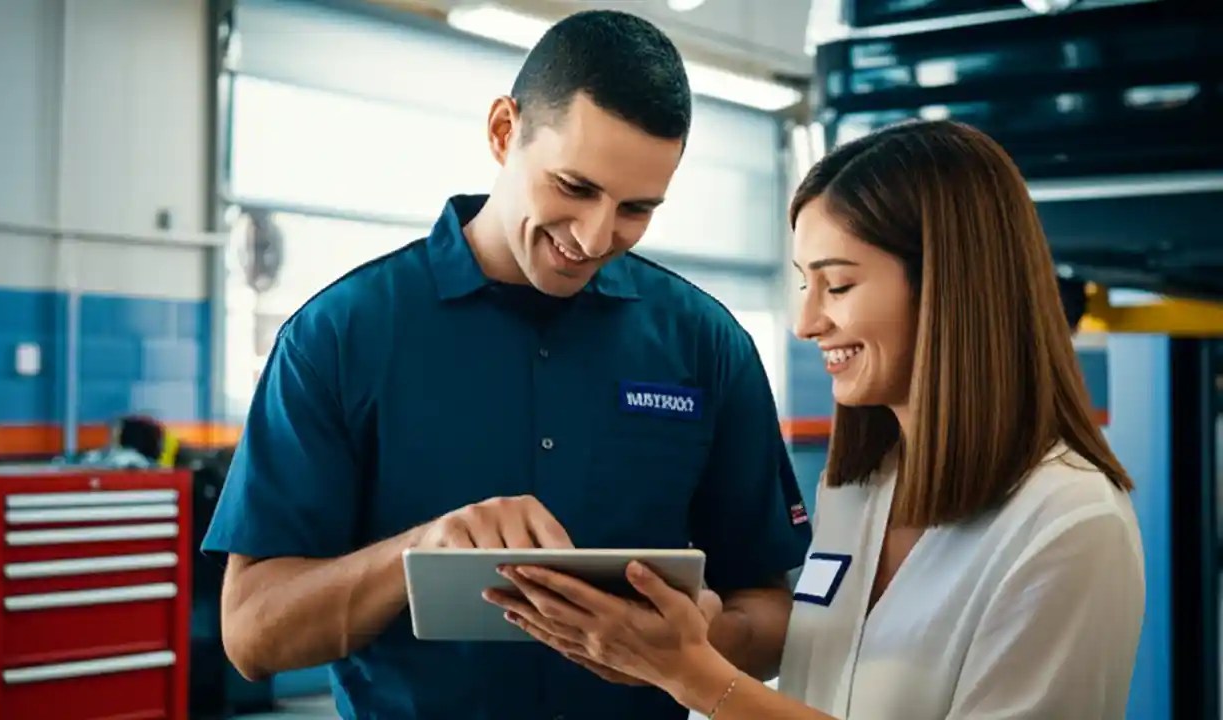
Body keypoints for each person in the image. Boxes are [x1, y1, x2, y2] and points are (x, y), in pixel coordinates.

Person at [201, 9, 812, 720]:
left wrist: (696, 640)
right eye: (575, 188)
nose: (593, 237)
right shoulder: (338, 337)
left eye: (636, 209)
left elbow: (771, 616)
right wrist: (421, 553)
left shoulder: (706, 346)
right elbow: (252, 635)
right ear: (502, 131)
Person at [487, 119, 1147, 719]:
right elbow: (817, 676)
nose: (807, 323)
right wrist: (676, 637)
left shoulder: (1068, 524)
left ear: (949, 285)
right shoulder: (858, 488)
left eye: (839, 285)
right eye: (804, 283)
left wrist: (693, 676)